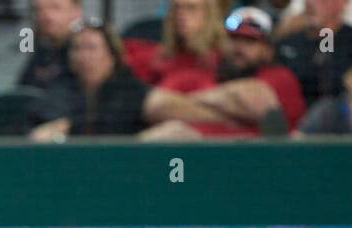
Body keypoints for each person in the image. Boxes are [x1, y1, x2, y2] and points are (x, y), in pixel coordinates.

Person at [29, 18, 227, 140]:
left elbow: (189, 120)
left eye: (91, 48)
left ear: (112, 56)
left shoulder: (132, 91)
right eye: (77, 48)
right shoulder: (59, 90)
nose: (83, 56)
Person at [141, 6, 306, 138]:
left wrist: (183, 104)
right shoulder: (209, 73)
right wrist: (230, 115)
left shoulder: (280, 77)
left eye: (250, 41)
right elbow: (155, 105)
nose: (239, 47)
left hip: (270, 162)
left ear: (268, 50)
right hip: (207, 159)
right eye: (234, 39)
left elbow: (254, 96)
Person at [274, 0, 352, 104]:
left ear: (342, 4)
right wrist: (278, 34)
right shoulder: (291, 35)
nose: (310, 3)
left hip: (330, 111)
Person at [18, 0, 84, 95]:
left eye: (55, 7)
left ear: (76, 11)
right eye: (38, 9)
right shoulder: (42, 52)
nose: (46, 15)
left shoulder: (88, 53)